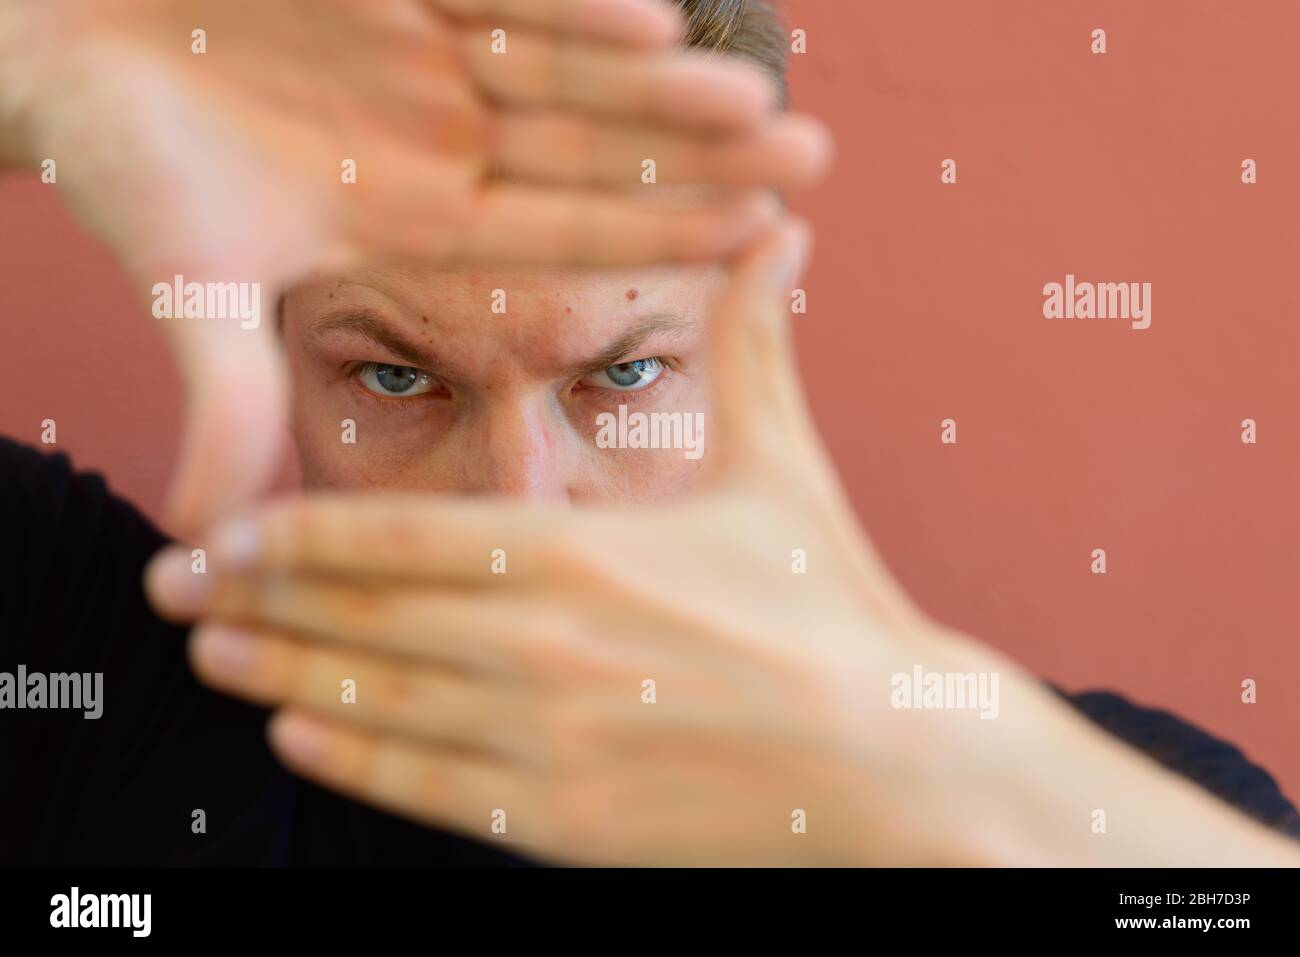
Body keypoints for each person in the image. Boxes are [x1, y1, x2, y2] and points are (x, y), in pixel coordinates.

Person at [1, 0, 1297, 865]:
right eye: (396, 380)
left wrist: (950, 783)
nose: (518, 514)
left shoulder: (1071, 802)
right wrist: (51, 66)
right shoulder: (81, 691)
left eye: (621, 375)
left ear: (753, 327)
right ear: (276, 344)